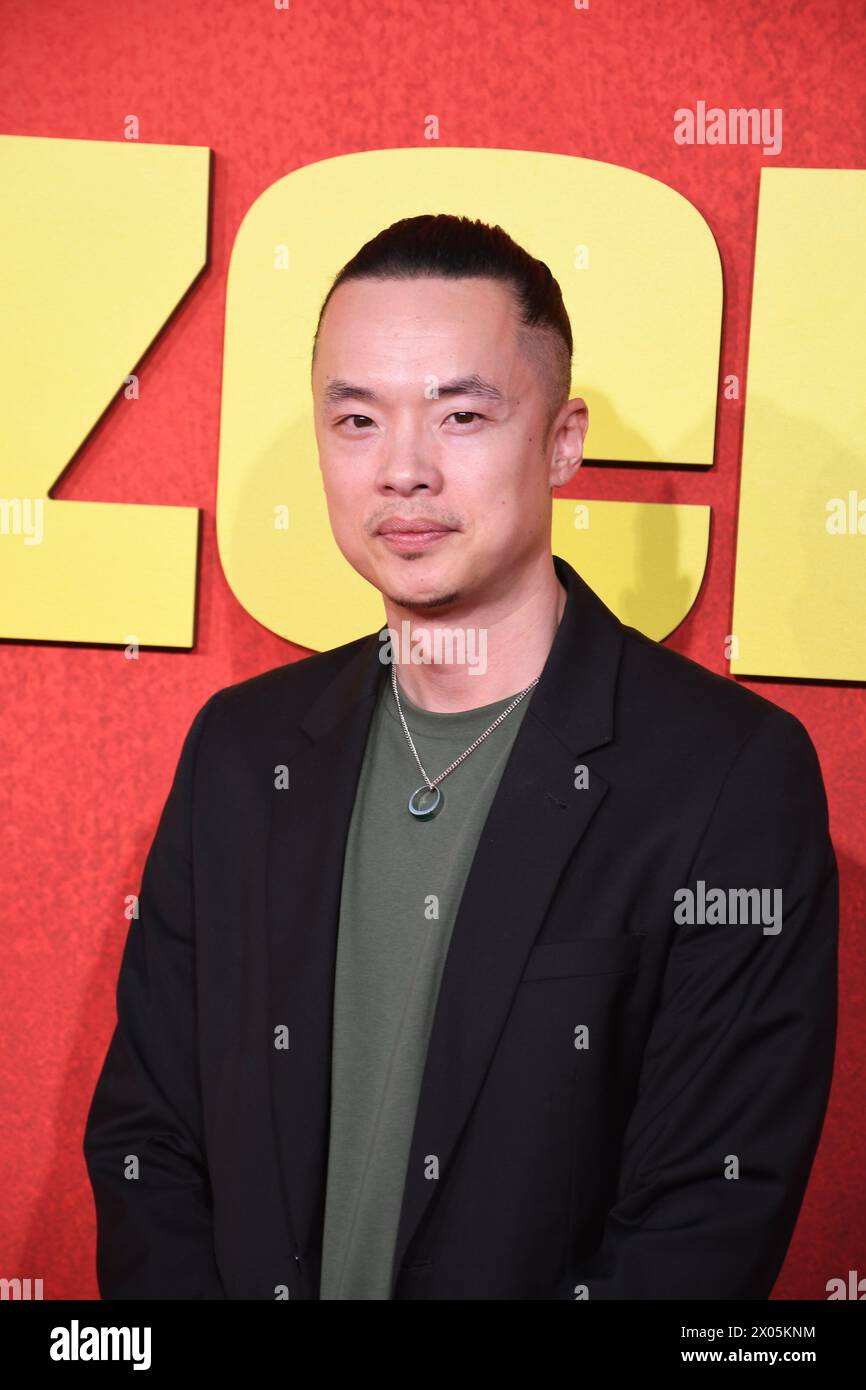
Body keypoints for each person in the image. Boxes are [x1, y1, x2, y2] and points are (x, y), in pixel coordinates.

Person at [84, 214, 838, 1300]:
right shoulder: (242, 756)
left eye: (462, 414)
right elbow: (148, 1141)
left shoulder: (724, 780)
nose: (402, 470)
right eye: (355, 417)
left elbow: (703, 1221)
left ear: (562, 439)